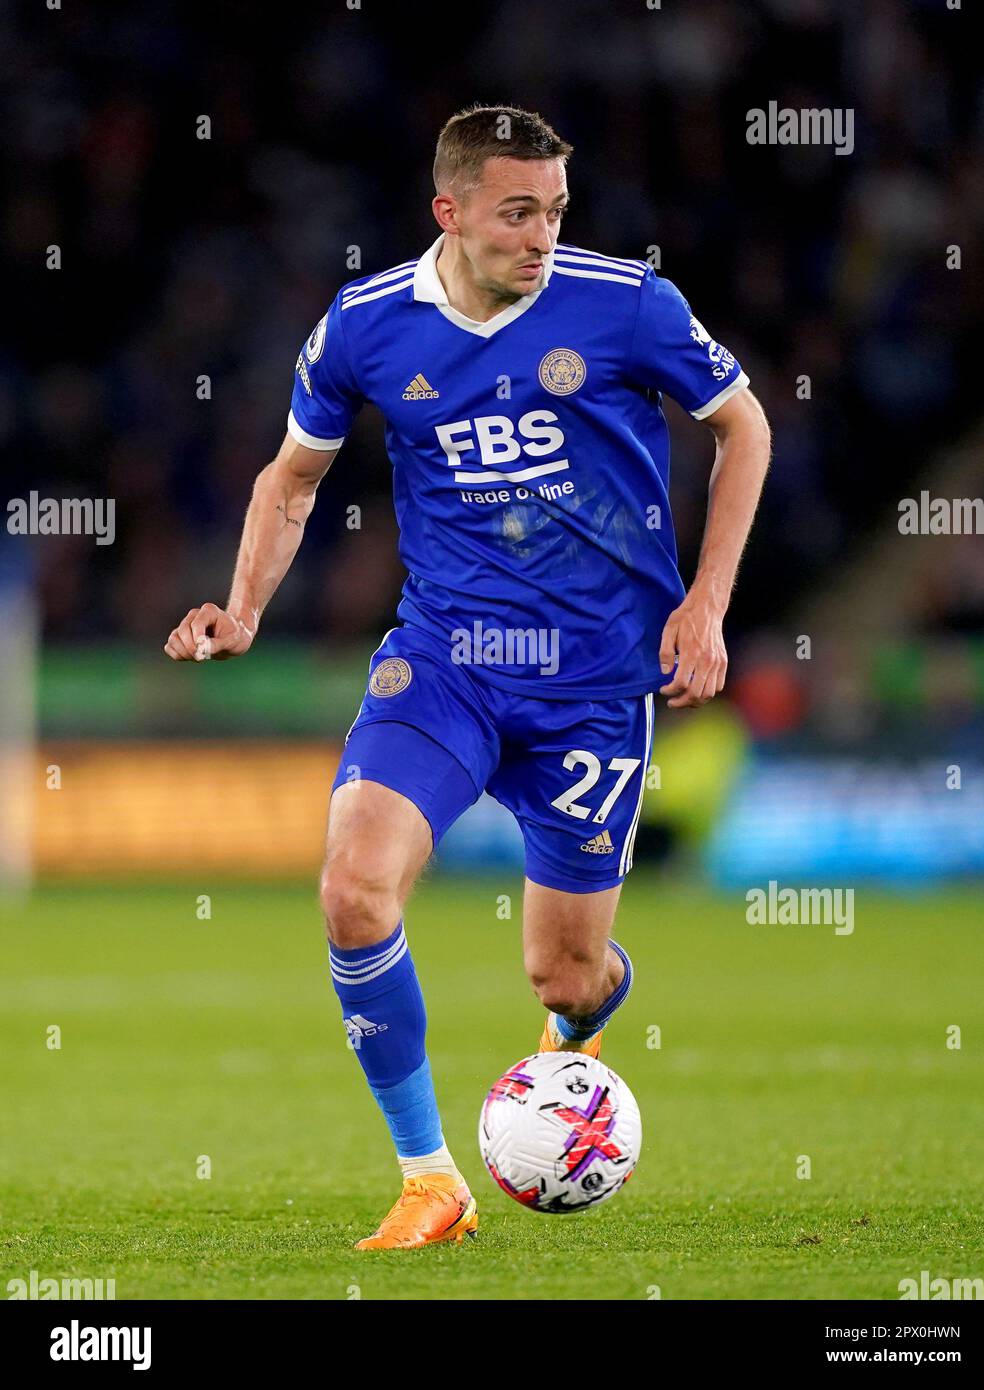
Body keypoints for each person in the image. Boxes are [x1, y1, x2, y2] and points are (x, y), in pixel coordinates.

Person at [164, 103, 771, 1249]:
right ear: (449, 211)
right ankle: (430, 1180)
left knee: (564, 973)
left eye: (554, 209)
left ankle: (578, 1025)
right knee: (353, 889)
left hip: (597, 682)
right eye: (516, 212)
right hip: (446, 663)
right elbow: (290, 481)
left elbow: (745, 427)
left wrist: (708, 602)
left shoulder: (627, 303)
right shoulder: (365, 326)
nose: (542, 234)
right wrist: (242, 609)